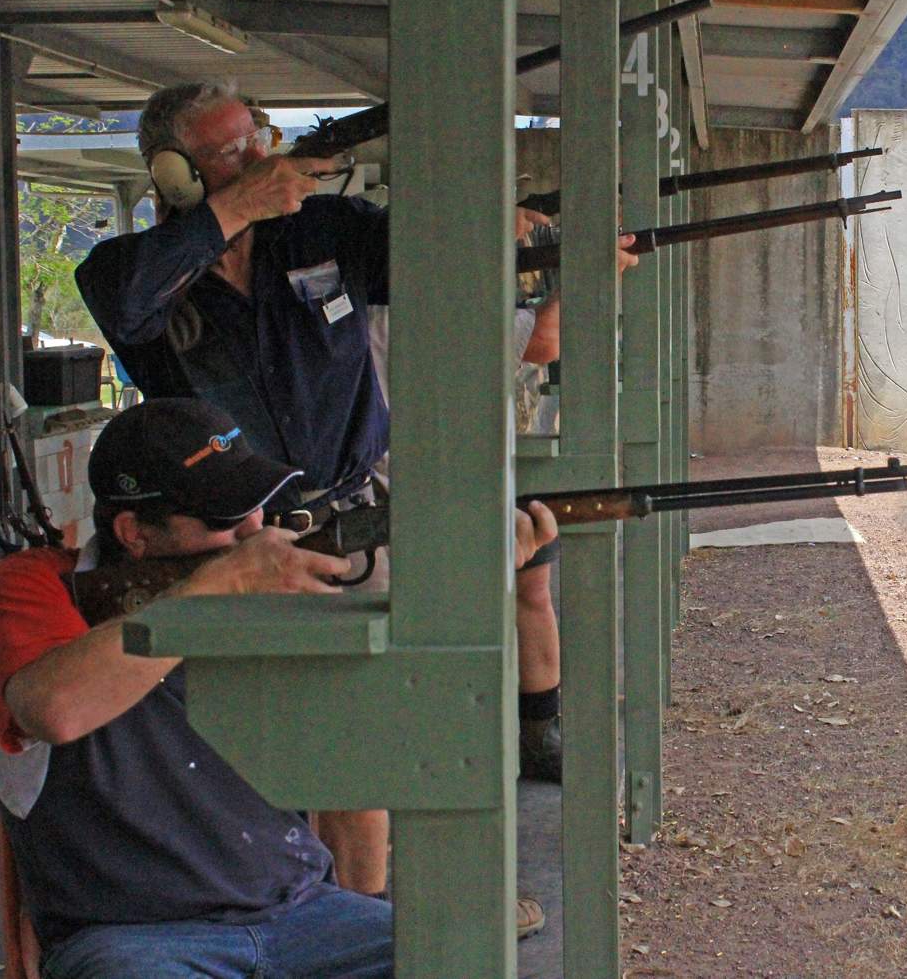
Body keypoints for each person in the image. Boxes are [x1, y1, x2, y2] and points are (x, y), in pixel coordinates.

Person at [75, 81, 631, 886]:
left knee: (357, 750)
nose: (261, 159)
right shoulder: (140, 272)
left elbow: (433, 255)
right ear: (173, 175)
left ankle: (363, 922)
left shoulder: (324, 230)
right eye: (233, 152)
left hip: (349, 517)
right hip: (231, 542)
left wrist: (532, 245)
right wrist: (232, 214)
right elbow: (122, 299)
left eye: (258, 138)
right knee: (240, 748)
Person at [0, 398, 384, 978]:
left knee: (462, 957)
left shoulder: (263, 590)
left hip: (305, 913)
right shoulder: (40, 587)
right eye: (224, 517)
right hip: (132, 938)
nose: (254, 530)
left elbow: (350, 772)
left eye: (258, 504)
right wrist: (221, 586)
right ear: (132, 533)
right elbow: (56, 709)